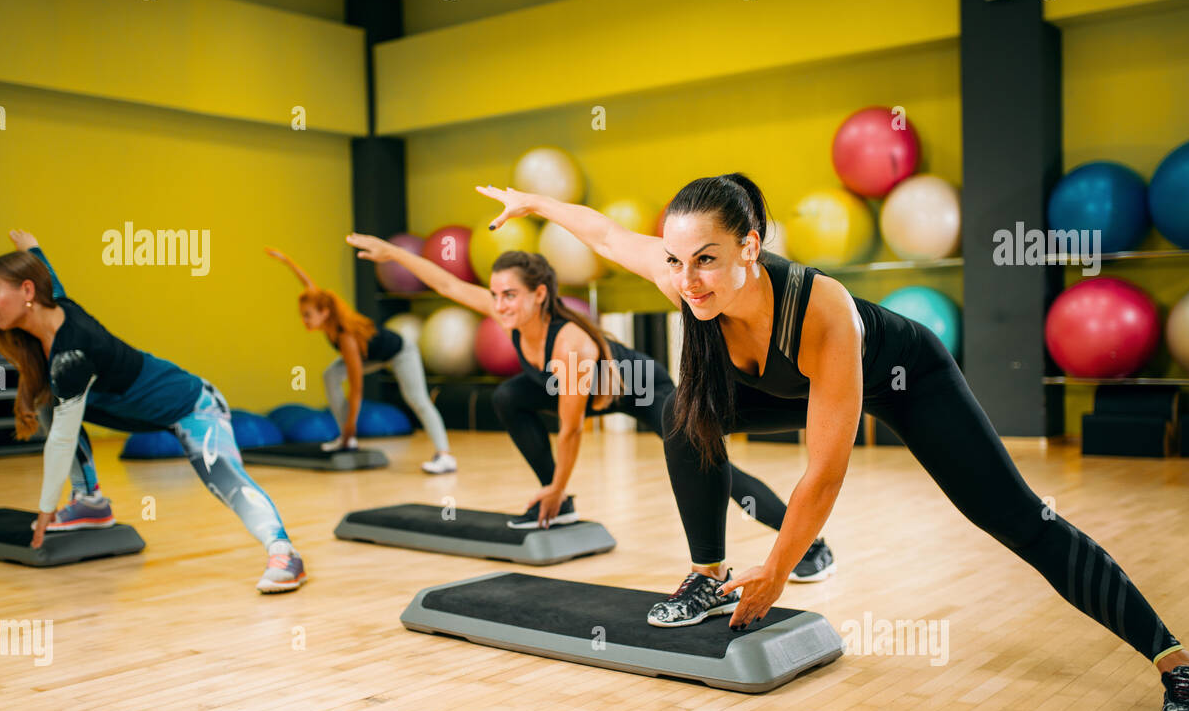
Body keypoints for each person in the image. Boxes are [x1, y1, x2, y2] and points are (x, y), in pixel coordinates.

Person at [476, 174, 1189, 711]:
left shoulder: (819, 306)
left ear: (750, 244)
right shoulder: (684, 279)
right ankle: (706, 574)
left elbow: (826, 469)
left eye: (707, 257)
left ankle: (1178, 663)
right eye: (678, 260)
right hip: (789, 384)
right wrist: (534, 202)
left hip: (906, 379)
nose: (690, 278)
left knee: (1016, 517)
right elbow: (605, 234)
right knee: (683, 412)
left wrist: (776, 568)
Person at [345, 232, 836, 584]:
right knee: (509, 395)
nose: (500, 305)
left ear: (539, 295)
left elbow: (572, 429)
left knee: (710, 467)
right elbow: (449, 286)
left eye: (510, 295)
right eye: (495, 295)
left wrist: (558, 487)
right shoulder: (512, 315)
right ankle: (559, 505)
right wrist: (391, 253)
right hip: (585, 391)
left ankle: (809, 545)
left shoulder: (571, 346)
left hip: (642, 388)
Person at [0, 229, 307, 593]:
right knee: (47, 402)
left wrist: (44, 511)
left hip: (193, 406)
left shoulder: (72, 352)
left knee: (223, 477)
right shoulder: (54, 303)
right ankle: (90, 503)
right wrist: (30, 245)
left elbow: (62, 440)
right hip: (135, 411)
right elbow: (46, 272)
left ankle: (284, 553)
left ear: (26, 292)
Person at [264, 247, 455, 473]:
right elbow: (308, 284)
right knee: (331, 375)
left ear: (323, 312)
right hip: (372, 356)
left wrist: (350, 427)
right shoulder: (326, 316)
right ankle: (346, 439)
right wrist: (287, 261)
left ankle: (445, 456)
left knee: (417, 399)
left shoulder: (346, 336)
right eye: (302, 315)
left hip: (400, 352)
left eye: (307, 315)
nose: (304, 320)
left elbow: (356, 388)